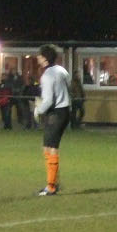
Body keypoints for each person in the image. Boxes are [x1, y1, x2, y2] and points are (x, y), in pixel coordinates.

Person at [34, 44, 72, 196]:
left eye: (39, 55)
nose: (37, 57)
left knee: (51, 148)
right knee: (47, 147)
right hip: (64, 111)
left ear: (44, 58)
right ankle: (53, 182)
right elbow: (67, 86)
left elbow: (49, 100)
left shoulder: (47, 75)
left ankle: (51, 186)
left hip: (56, 113)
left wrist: (38, 110)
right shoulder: (62, 70)